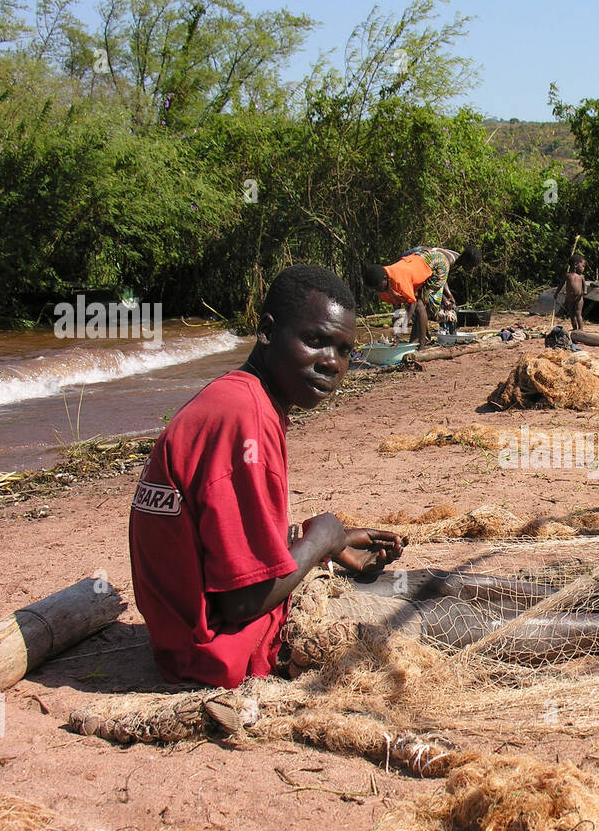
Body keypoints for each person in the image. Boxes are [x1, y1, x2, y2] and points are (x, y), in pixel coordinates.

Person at [129, 264, 405, 690]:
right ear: (266, 331)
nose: (332, 363)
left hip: (179, 638)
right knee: (436, 604)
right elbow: (240, 602)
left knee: (432, 590)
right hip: (217, 650)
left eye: (345, 350)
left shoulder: (236, 398)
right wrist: (322, 538)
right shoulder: (246, 418)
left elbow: (214, 540)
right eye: (315, 341)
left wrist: (335, 541)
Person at [362, 245, 480, 346]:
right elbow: (398, 307)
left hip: (429, 261)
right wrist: (398, 333)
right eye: (375, 289)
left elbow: (440, 280)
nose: (378, 290)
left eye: (378, 287)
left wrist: (446, 297)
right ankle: (419, 338)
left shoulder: (397, 280)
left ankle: (421, 341)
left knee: (420, 304)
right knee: (419, 304)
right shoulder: (387, 283)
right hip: (418, 259)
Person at [557, 254, 588, 328]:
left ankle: (581, 329)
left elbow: (585, 286)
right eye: (583, 266)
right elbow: (561, 285)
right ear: (576, 265)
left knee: (578, 313)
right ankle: (574, 328)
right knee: (571, 314)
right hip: (569, 298)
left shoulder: (581, 276)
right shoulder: (567, 275)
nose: (583, 268)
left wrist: (585, 291)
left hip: (579, 298)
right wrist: (556, 293)